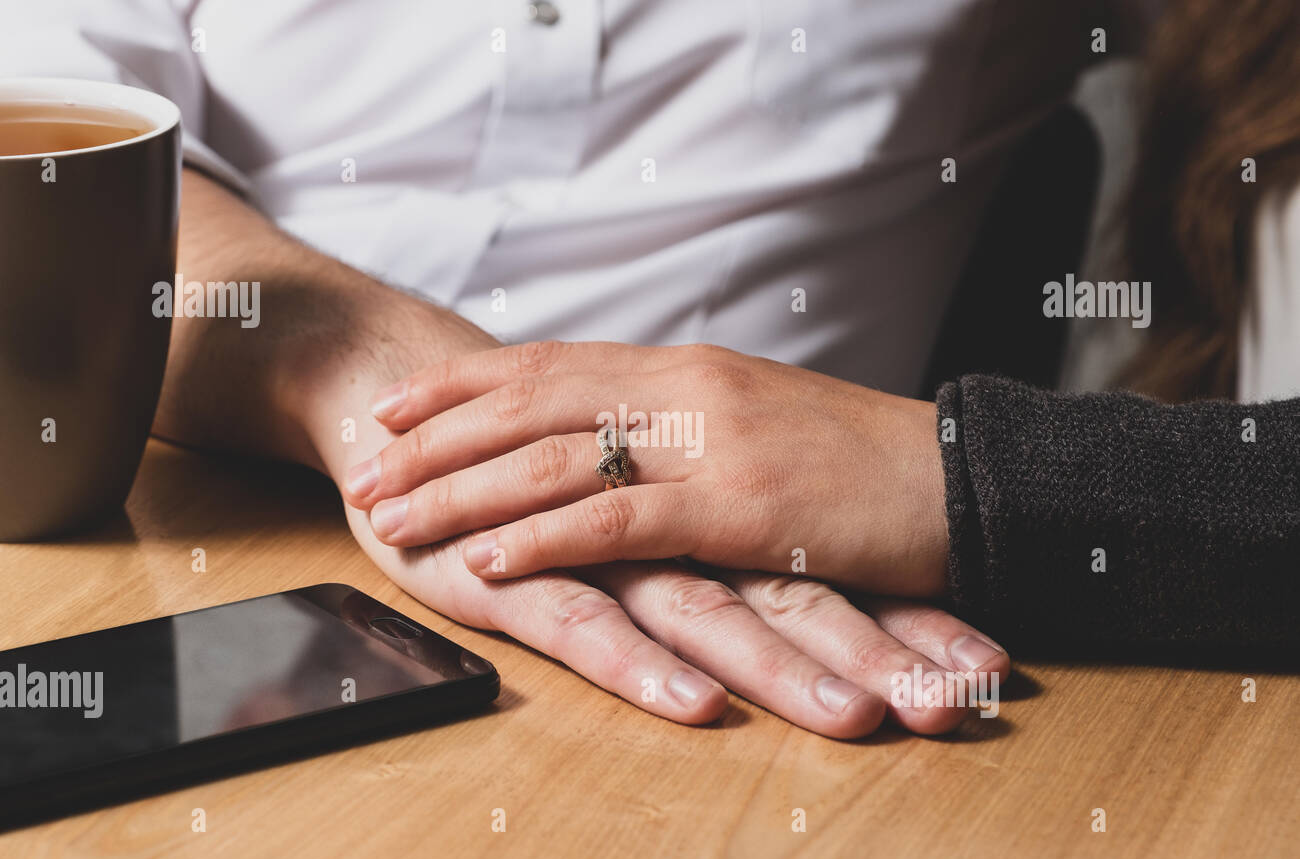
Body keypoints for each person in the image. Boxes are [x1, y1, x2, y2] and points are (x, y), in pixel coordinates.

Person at [8, 1, 1127, 738]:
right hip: (164, 533)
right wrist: (400, 392)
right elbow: (47, 143)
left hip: (714, 628)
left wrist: (972, 478)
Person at [341, 0, 1300, 665]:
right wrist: (410, 415)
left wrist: (951, 474)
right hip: (282, 488)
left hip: (730, 610)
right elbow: (186, 175)